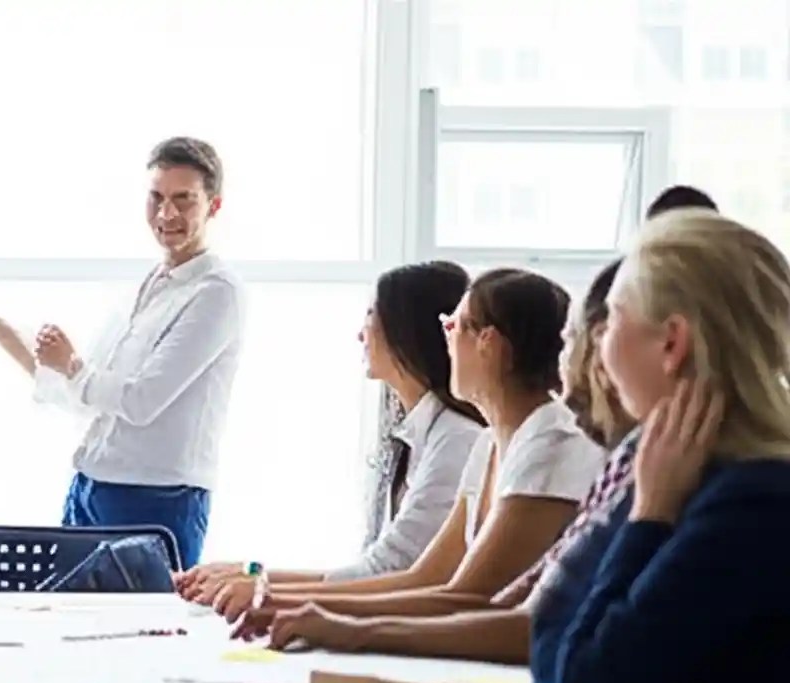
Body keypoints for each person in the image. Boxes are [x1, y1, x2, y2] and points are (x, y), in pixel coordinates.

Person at [258, 258, 636, 661]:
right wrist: (291, 604)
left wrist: (326, 617)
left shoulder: (554, 442)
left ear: (489, 343)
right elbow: (427, 577)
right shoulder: (487, 443)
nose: (446, 341)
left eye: (453, 326)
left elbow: (470, 596)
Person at [0, 137, 243, 568]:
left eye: (183, 199)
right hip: (90, 488)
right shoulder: (148, 286)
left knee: (145, 614)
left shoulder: (216, 293)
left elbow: (140, 401)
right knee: (67, 610)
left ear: (214, 206)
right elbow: (73, 389)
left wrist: (73, 366)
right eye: (156, 197)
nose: (166, 214)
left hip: (157, 500)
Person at [531, 209, 790, 683]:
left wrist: (649, 516)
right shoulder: (676, 468)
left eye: (612, 320)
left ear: (672, 343)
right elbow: (550, 657)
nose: (599, 344)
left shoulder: (753, 504)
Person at [175, 262, 484, 601]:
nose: (360, 334)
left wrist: (263, 587)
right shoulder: (418, 434)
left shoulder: (456, 440)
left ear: (405, 329)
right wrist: (250, 573)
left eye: (371, 315)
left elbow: (392, 571)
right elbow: (375, 566)